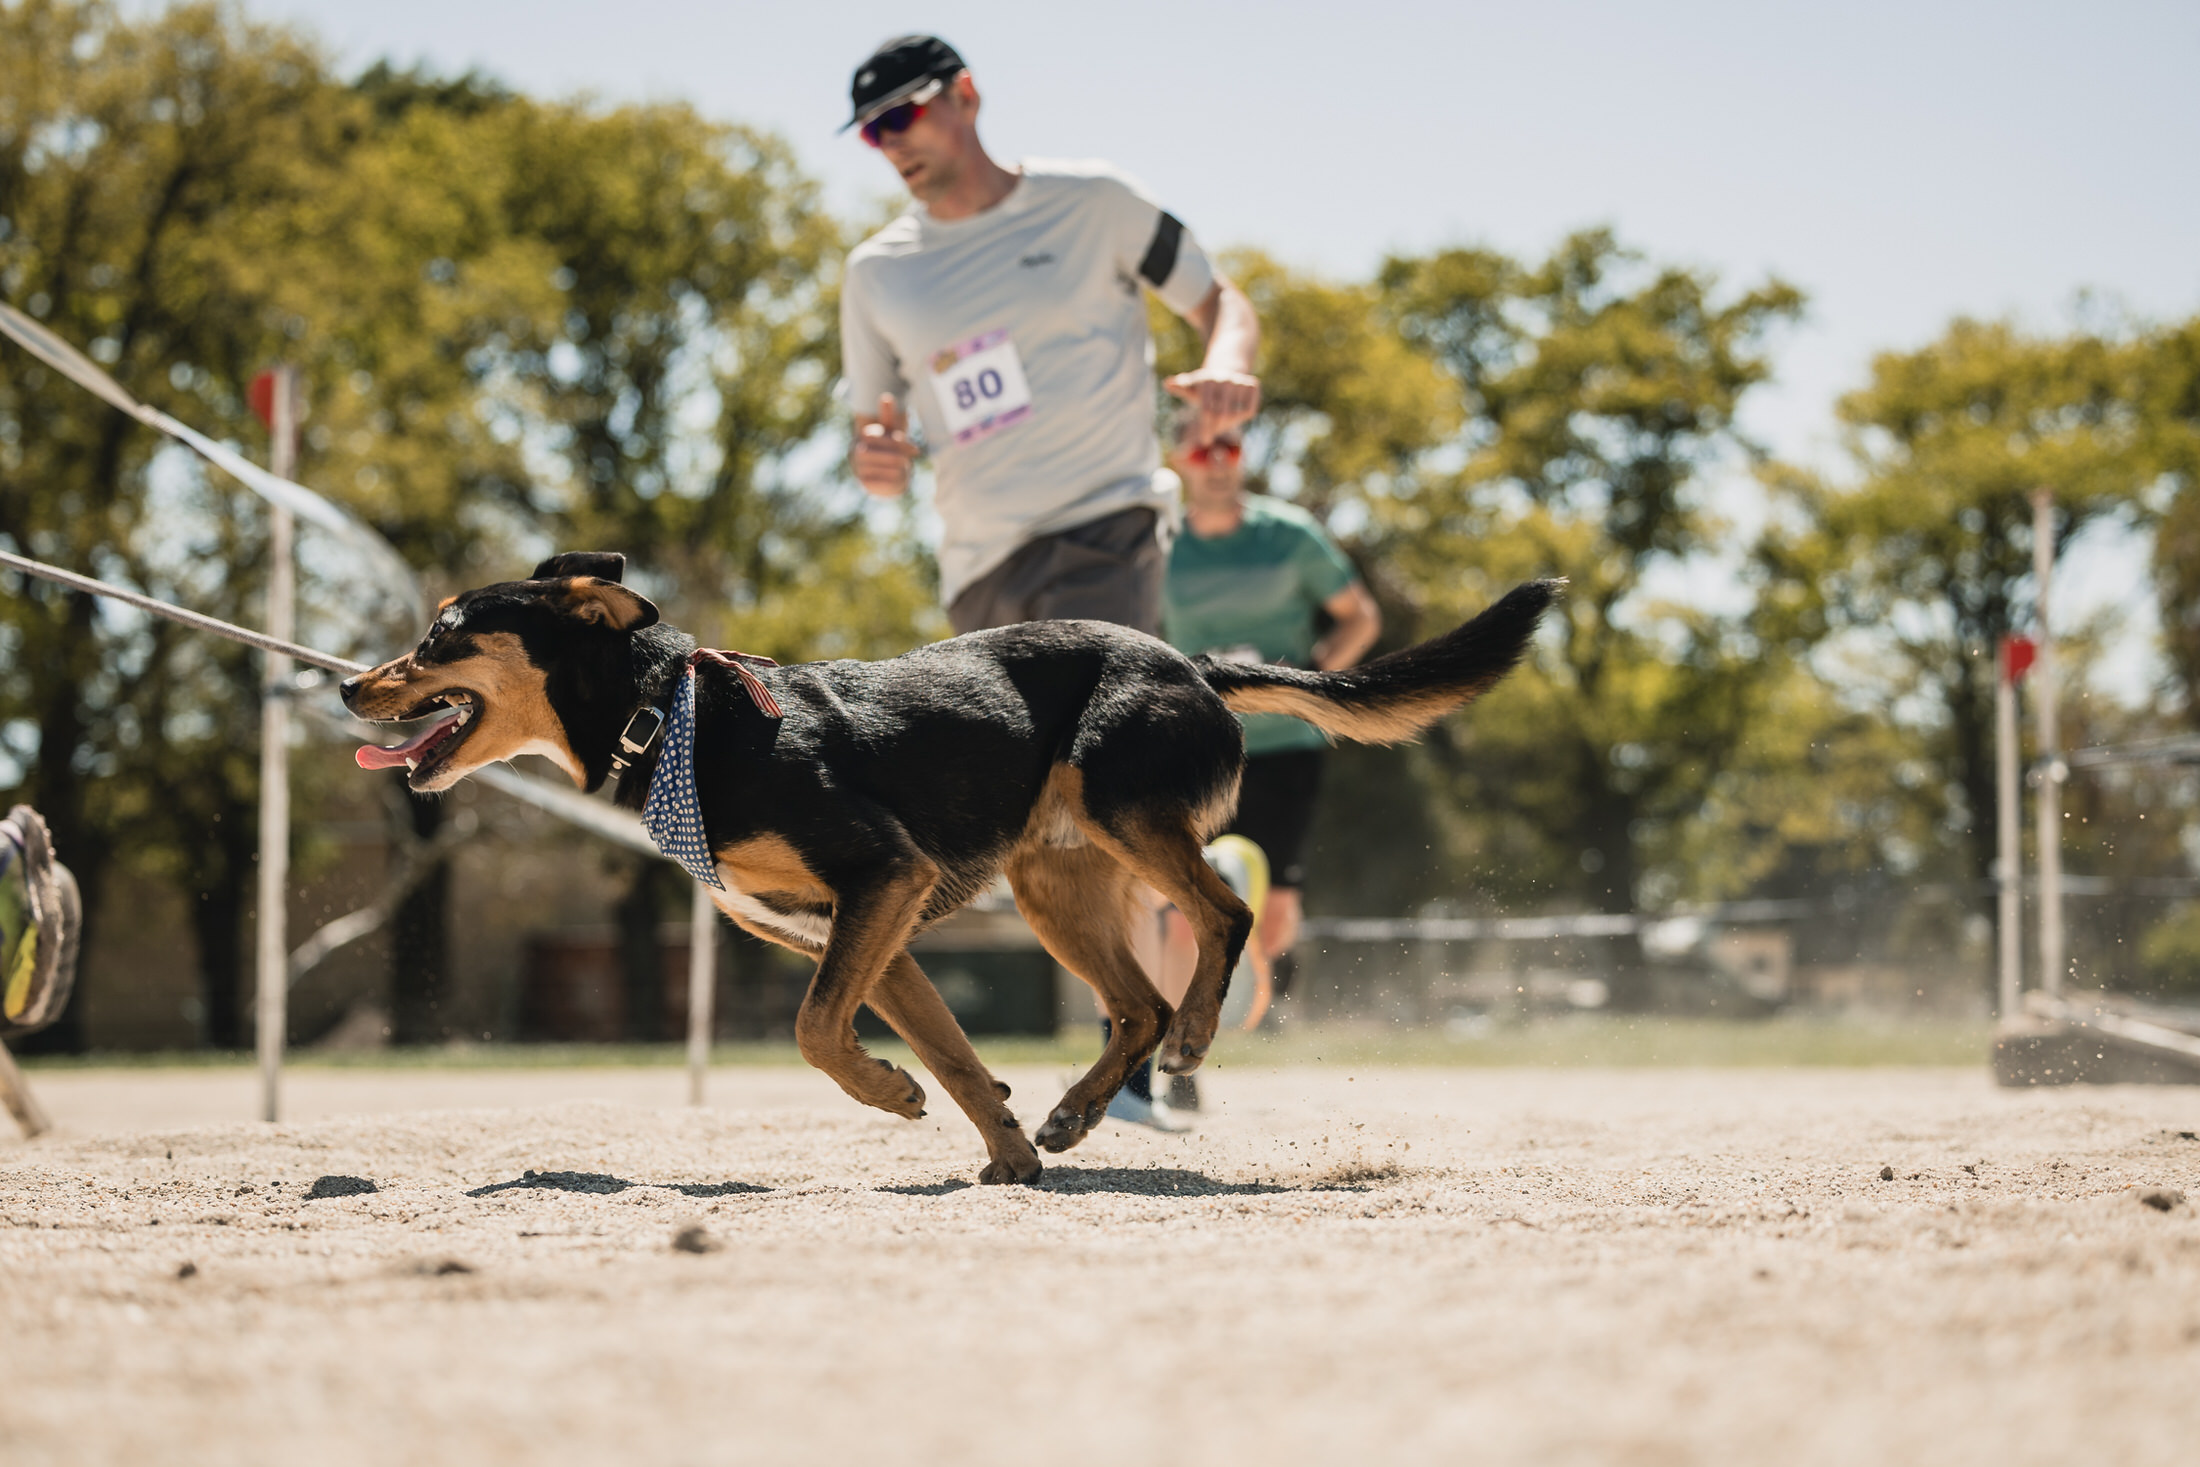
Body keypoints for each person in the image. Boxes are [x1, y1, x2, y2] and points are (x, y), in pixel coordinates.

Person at [837, 35, 1263, 1131]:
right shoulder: (879, 272)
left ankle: (1137, 1057)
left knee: (1103, 805)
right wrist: (876, 457)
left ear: (965, 96)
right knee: (1038, 845)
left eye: (903, 118)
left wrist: (1224, 366)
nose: (891, 148)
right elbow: (874, 425)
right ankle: (1183, 927)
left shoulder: (1094, 204)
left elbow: (1220, 300)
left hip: (1106, 528)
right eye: (871, 134)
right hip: (978, 571)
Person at [1157, 411, 1381, 1091]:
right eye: (1200, 447)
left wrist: (1316, 684)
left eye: (1228, 443)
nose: (1216, 458)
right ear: (1178, 459)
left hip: (1284, 747)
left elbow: (1360, 616)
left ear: (1241, 453)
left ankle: (1260, 980)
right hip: (1194, 752)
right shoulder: (1157, 544)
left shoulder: (1289, 535)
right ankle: (1179, 1054)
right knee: (1181, 899)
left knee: (1274, 912)